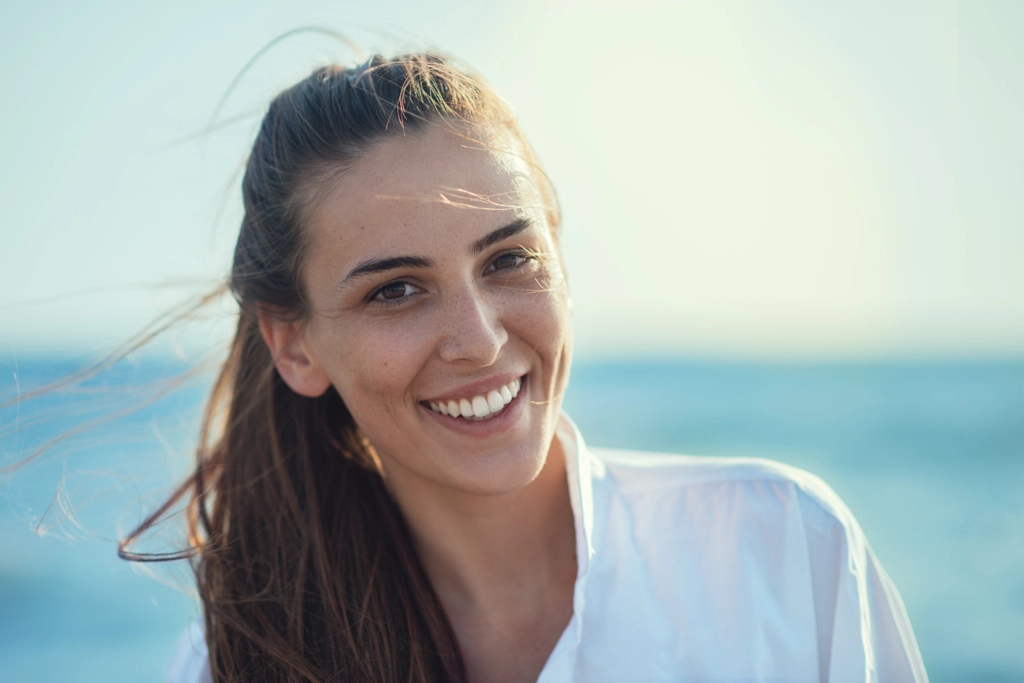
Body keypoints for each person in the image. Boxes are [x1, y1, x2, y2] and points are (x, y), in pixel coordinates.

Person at [138, 53, 929, 682]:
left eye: (510, 258)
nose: (479, 340)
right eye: (398, 289)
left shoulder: (782, 553)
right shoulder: (239, 665)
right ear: (293, 345)